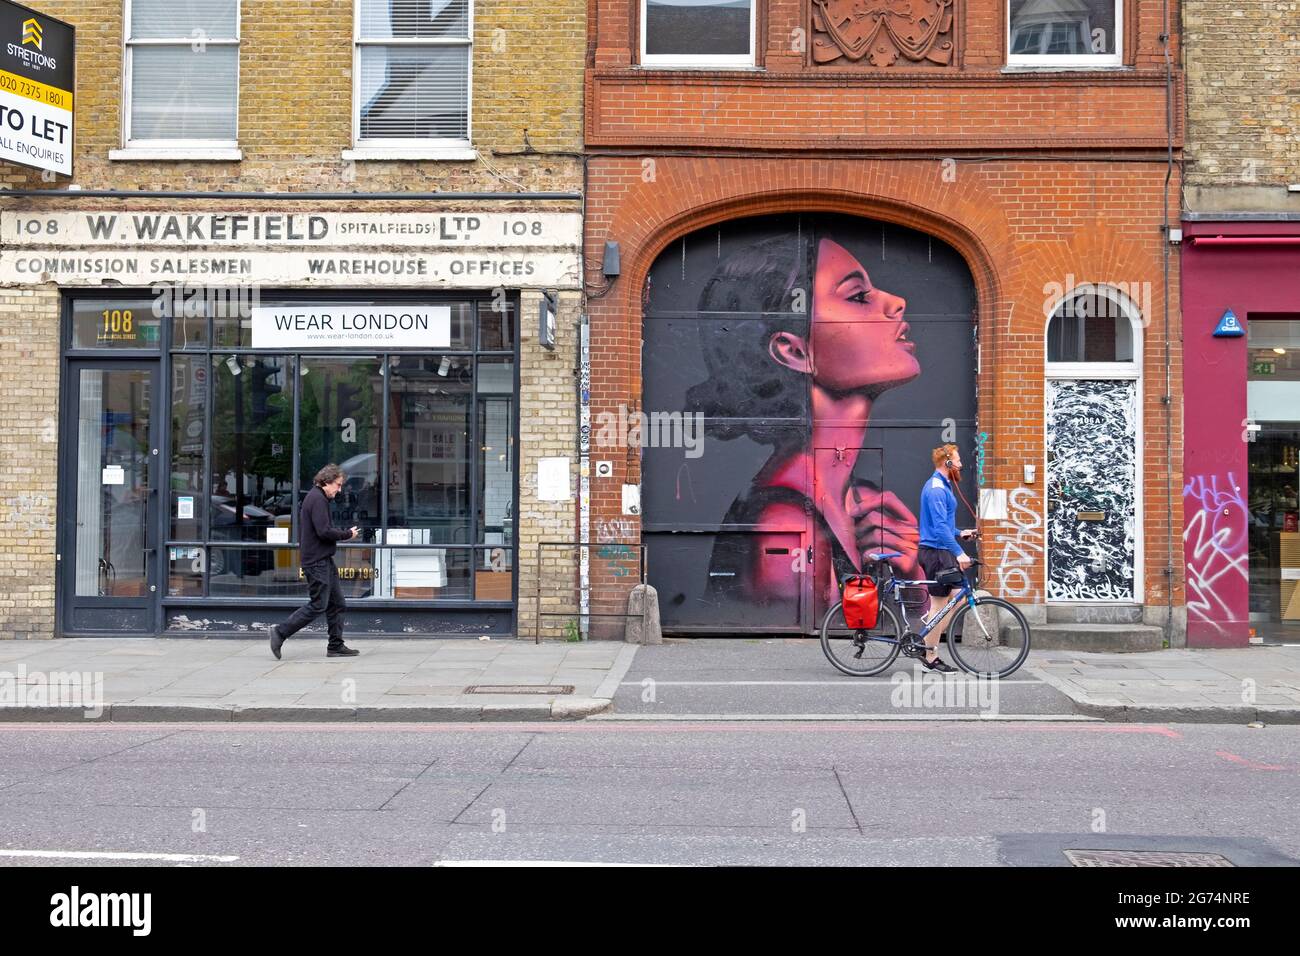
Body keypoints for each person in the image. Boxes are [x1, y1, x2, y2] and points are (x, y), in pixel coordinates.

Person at [686, 234, 924, 612]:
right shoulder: (784, 524)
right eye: (858, 296)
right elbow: (781, 654)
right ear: (794, 350)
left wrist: (912, 580)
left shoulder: (857, 500)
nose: (896, 303)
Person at [267, 464, 360, 659]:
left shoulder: (318, 497)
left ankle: (335, 646)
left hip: (322, 559)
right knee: (319, 604)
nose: (339, 489)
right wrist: (347, 535)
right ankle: (280, 632)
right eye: (338, 485)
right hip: (316, 562)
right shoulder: (317, 499)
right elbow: (324, 531)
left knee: (337, 603)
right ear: (326, 482)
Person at [916, 444, 977, 673]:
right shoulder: (935, 489)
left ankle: (927, 632)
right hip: (936, 553)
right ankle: (930, 656)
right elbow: (939, 528)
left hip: (942, 551)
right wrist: (960, 552)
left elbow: (944, 526)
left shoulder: (944, 485)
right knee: (940, 604)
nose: (961, 464)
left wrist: (960, 533)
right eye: (958, 460)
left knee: (956, 600)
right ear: (947, 463)